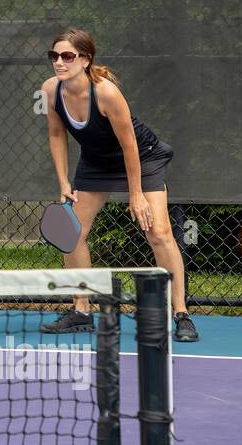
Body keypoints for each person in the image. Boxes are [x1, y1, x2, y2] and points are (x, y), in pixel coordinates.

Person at [40, 28, 198, 342]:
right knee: (72, 233)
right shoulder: (50, 90)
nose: (59, 62)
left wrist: (136, 194)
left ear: (85, 60)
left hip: (142, 157)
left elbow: (129, 146)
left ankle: (181, 314)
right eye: (54, 56)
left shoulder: (106, 93)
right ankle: (81, 310)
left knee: (159, 233)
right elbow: (57, 135)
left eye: (67, 56)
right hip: (97, 162)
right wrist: (62, 181)